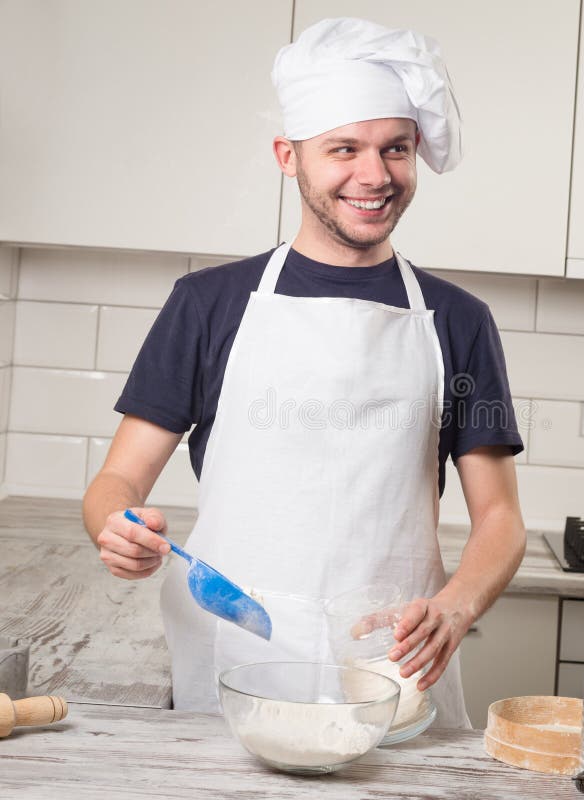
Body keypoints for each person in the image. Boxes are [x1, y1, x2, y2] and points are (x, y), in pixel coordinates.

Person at [82, 17, 526, 727]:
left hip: (390, 661)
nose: (374, 175)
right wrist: (116, 526)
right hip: (238, 649)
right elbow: (117, 481)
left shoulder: (459, 320)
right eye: (343, 149)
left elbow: (500, 518)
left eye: (396, 149)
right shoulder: (208, 304)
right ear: (289, 156)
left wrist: (456, 605)